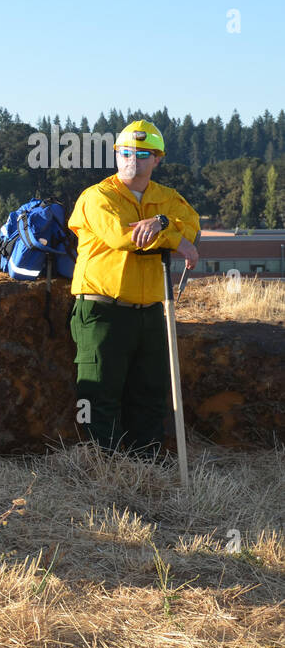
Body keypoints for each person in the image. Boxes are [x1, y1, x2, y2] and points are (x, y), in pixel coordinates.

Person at [67, 119, 200, 454]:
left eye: (142, 153)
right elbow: (124, 236)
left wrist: (162, 222)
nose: (131, 159)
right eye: (124, 152)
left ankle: (146, 469)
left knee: (150, 394)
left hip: (153, 311)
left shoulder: (166, 199)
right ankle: (106, 471)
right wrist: (174, 239)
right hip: (101, 310)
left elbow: (192, 225)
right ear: (115, 155)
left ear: (157, 158)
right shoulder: (97, 197)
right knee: (99, 394)